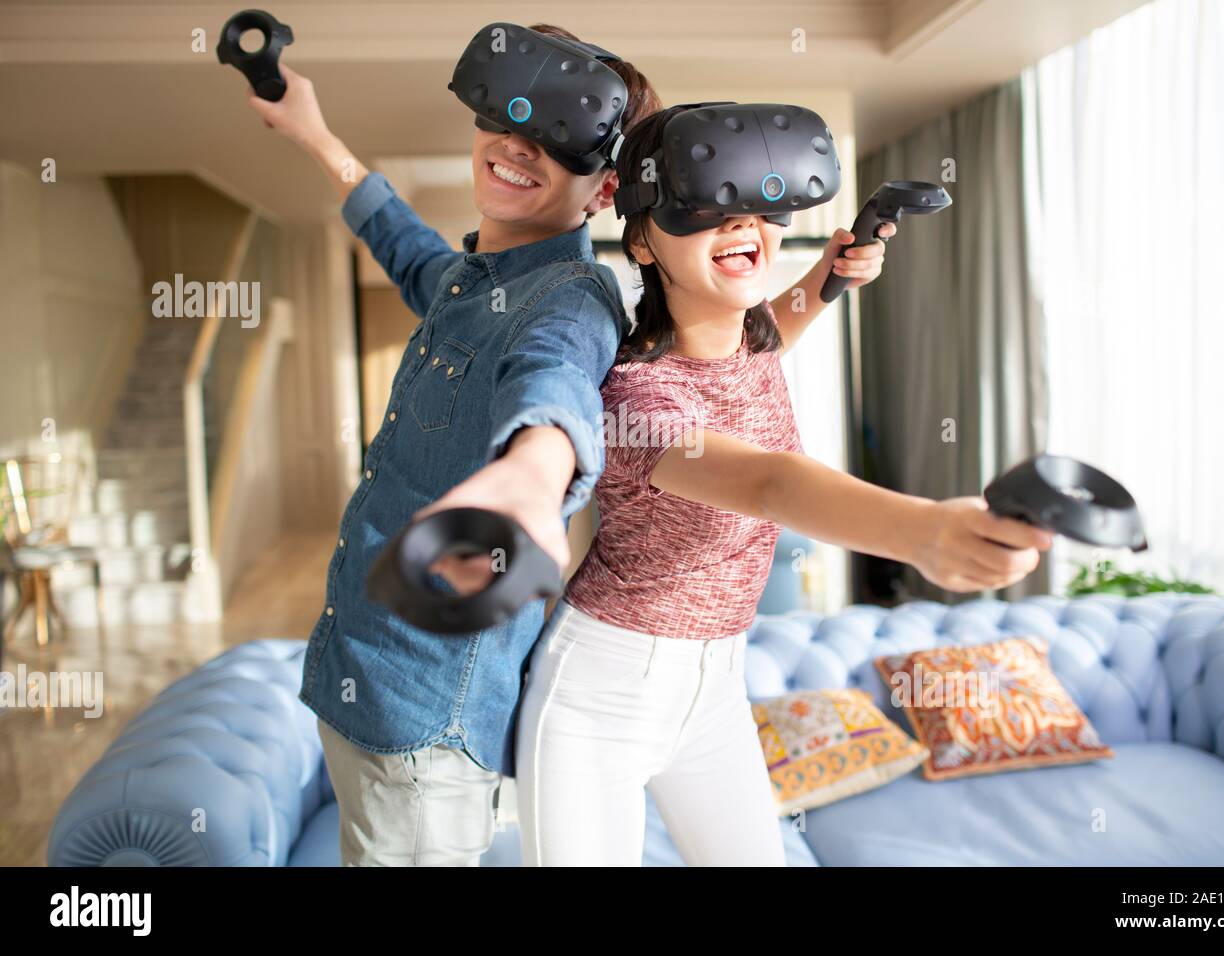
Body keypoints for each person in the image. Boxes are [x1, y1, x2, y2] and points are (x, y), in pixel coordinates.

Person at [513, 105, 1055, 866]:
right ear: (641, 237)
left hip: (715, 690)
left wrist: (837, 264)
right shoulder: (637, 400)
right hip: (601, 693)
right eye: (706, 207)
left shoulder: (752, 340)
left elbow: (781, 320)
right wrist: (924, 531)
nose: (743, 226)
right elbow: (769, 483)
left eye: (760, 208)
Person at [243, 23, 661, 866]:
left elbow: (557, 386)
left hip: (421, 720)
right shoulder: (472, 282)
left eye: (558, 137)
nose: (516, 146)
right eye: (509, 118)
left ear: (605, 186)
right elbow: (405, 247)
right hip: (357, 677)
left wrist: (530, 481)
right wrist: (317, 135)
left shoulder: (571, 299)